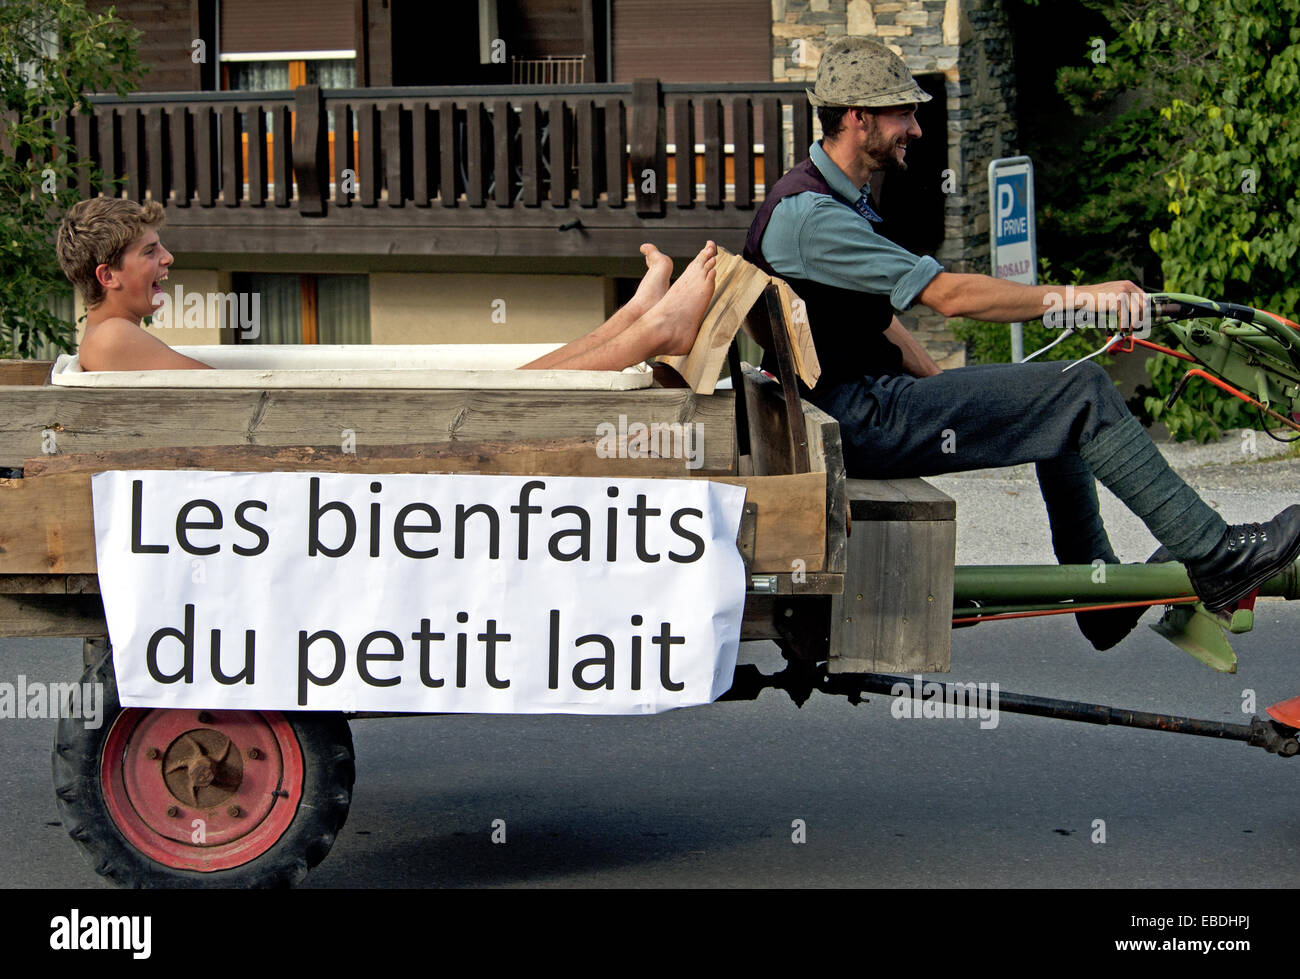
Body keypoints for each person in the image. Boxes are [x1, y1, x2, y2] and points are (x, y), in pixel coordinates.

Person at [744, 35, 1300, 648]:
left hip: (864, 405)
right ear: (858, 118)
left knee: (1048, 397)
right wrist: (1080, 297)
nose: (917, 129)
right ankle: (1217, 556)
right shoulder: (812, 215)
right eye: (904, 114)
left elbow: (877, 317)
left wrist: (952, 389)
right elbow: (949, 296)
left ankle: (1105, 598)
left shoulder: (831, 197)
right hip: (858, 416)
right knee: (1082, 389)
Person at [56, 198, 717, 374]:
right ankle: (650, 328)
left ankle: (635, 319)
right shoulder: (112, 340)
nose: (168, 259)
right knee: (521, 382)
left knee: (522, 374)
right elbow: (216, 391)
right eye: (151, 252)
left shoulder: (114, 335)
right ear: (108, 275)